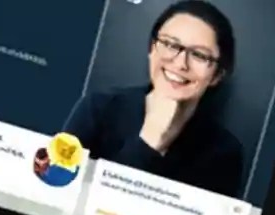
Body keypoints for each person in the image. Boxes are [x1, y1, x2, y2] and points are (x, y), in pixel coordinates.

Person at [63, 0, 244, 198]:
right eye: (170, 44)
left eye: (199, 55)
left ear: (217, 75)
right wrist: (149, 141)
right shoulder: (97, 109)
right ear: (152, 49)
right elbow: (60, 194)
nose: (180, 63)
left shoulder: (224, 152)